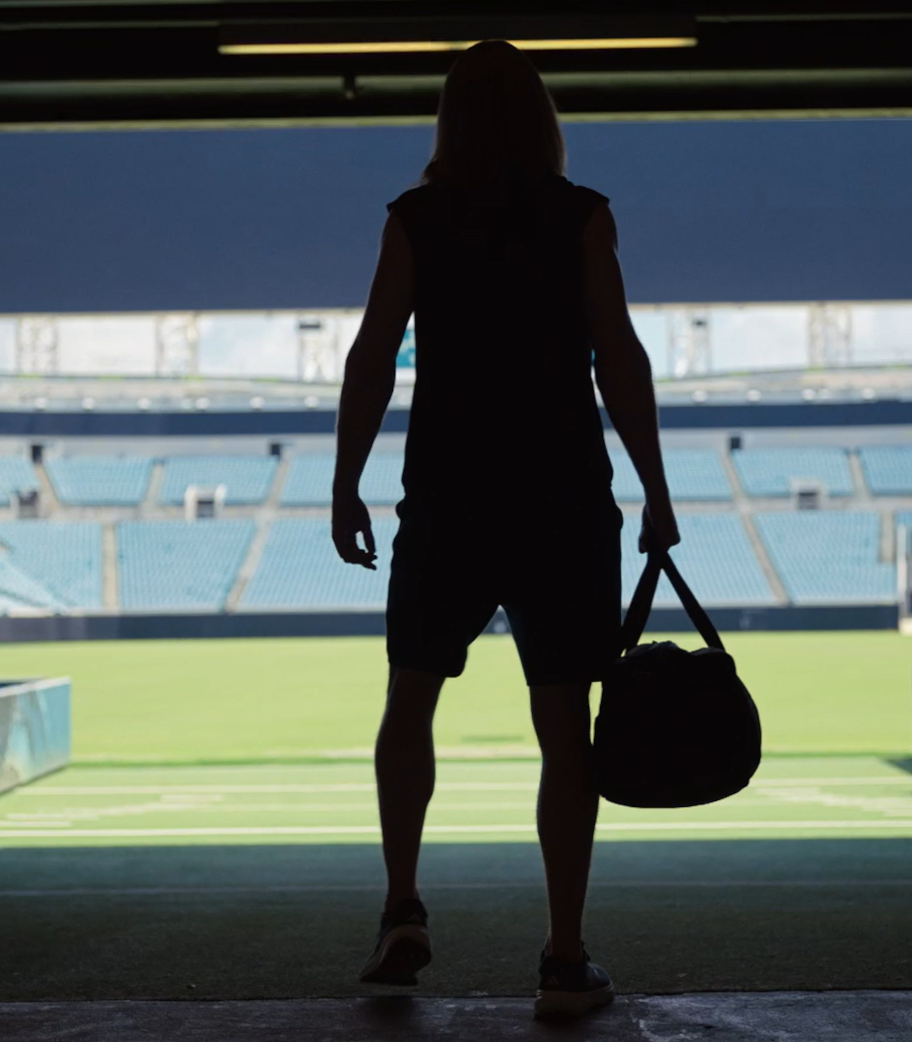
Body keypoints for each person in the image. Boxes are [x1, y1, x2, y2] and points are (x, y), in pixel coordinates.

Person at [331, 40, 679, 1019]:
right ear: (540, 118)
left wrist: (343, 483)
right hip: (563, 499)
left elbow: (370, 360)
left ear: (446, 122)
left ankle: (401, 905)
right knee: (564, 733)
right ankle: (562, 955)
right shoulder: (580, 217)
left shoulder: (415, 220)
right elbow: (618, 358)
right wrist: (655, 487)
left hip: (445, 494)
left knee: (409, 708)